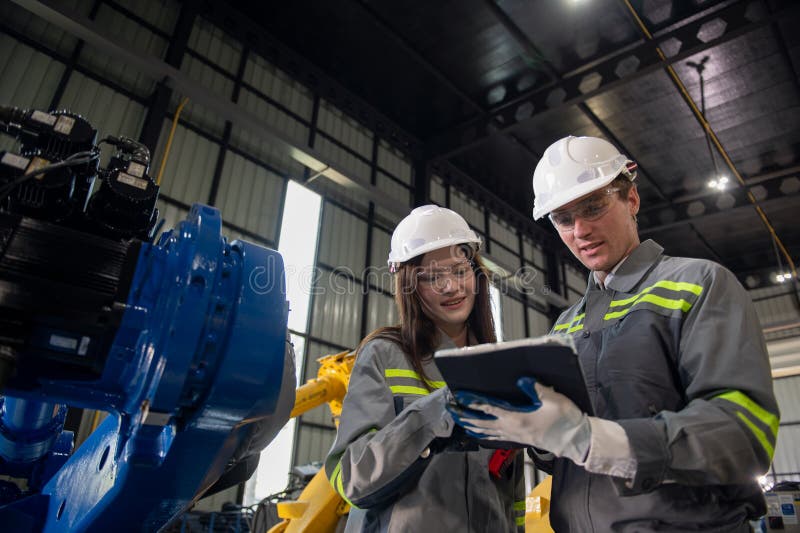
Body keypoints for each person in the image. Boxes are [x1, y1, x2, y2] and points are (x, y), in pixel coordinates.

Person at [450, 135, 780, 531]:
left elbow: (744, 433)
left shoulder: (699, 284)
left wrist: (593, 440)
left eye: (594, 207)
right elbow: (563, 458)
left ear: (632, 200)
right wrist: (536, 431)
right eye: (563, 219)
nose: (581, 230)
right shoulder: (567, 323)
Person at [324, 204, 526, 532]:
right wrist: (441, 410)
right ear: (409, 287)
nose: (451, 286)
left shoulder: (497, 366)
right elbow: (351, 478)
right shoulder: (383, 355)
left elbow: (511, 485)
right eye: (432, 277)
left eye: (460, 271)